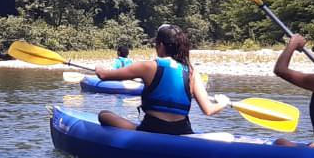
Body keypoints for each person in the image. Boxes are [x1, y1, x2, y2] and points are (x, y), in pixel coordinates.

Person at [94, 24, 229, 135]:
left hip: (152, 129)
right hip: (182, 131)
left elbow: (104, 75)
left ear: (162, 45)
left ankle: (136, 131)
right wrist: (223, 102)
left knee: (104, 115)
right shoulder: (192, 72)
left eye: (156, 44)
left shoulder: (148, 66)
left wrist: (98, 67)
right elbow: (209, 110)